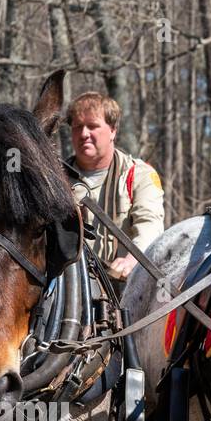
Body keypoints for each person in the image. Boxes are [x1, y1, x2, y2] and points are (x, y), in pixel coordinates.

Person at [63, 92, 165, 287]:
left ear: (113, 131)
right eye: (77, 127)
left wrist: (131, 261)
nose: (84, 134)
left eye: (92, 126)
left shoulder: (138, 175)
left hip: (125, 289)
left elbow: (150, 226)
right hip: (67, 291)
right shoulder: (55, 180)